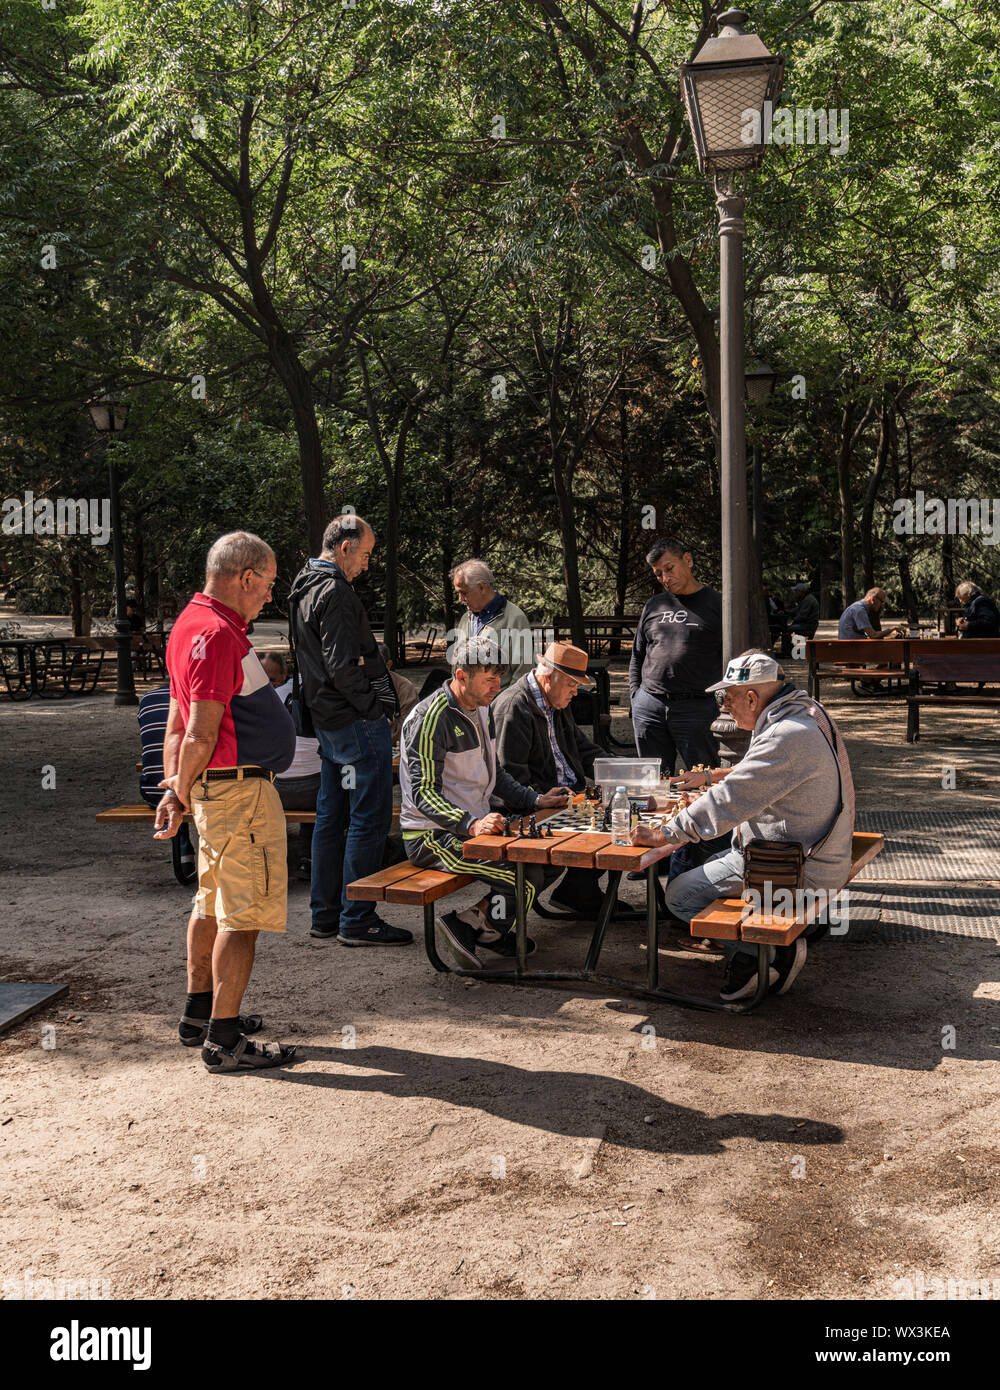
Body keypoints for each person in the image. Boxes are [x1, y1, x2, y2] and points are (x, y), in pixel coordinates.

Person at [631, 650, 855, 1003]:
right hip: (817, 850)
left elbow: (728, 802)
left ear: (752, 697)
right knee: (708, 854)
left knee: (678, 895)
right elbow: (759, 773)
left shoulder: (786, 734)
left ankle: (765, 953)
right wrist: (712, 775)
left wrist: (663, 833)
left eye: (727, 698)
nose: (723, 708)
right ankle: (761, 946)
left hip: (798, 868)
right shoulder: (804, 713)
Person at [154, 531, 298, 1074]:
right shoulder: (216, 634)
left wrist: (176, 787)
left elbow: (176, 723)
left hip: (215, 793)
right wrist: (178, 787)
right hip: (239, 792)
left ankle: (200, 1014)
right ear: (245, 578)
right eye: (267, 585)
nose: (268, 597)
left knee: (210, 903)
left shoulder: (189, 626)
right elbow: (199, 731)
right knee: (244, 914)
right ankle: (225, 1038)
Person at [399, 633, 568, 969]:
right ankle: (464, 925)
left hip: (472, 827)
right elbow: (423, 793)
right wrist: (472, 823)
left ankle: (483, 925)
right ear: (461, 675)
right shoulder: (430, 718)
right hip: (431, 836)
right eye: (490, 678)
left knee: (551, 862)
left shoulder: (482, 708)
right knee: (520, 878)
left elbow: (495, 773)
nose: (497, 685)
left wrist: (535, 800)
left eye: (500, 678)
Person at [288, 514, 410, 946]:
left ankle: (326, 915)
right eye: (365, 554)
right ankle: (357, 918)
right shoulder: (335, 591)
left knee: (331, 817)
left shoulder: (303, 584)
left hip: (327, 723)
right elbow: (342, 667)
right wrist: (375, 708)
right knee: (367, 819)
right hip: (353, 723)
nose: (367, 563)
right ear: (343, 547)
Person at [492, 641, 638, 919]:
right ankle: (577, 892)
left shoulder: (556, 701)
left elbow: (583, 750)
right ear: (548, 678)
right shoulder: (514, 707)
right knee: (613, 821)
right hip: (532, 807)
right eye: (572, 683)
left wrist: (624, 771)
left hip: (566, 797)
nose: (577, 691)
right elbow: (510, 779)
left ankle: (579, 890)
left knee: (623, 811)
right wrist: (544, 800)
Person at [629, 537, 721, 776]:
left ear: (688, 560)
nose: (665, 579)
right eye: (658, 574)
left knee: (704, 780)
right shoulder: (653, 605)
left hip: (698, 707)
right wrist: (635, 697)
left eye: (669, 569)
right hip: (650, 705)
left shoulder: (718, 604)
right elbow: (638, 654)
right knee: (652, 784)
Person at [261, 652, 322, 883]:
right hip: (314, 793)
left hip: (277, 794)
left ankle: (281, 859)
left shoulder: (262, 702)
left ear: (285, 676)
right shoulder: (316, 698)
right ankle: (312, 857)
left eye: (272, 680)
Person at [138, 683, 196, 883]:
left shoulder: (148, 698)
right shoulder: (200, 694)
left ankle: (183, 847)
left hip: (152, 787)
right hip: (182, 788)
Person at [451, 559, 533, 688]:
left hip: (499, 704)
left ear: (481, 587)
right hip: (468, 705)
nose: (460, 599)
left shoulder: (515, 618)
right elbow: (457, 665)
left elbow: (523, 672)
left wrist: (504, 704)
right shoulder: (465, 619)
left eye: (464, 592)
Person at [375, 641, 420, 744]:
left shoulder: (404, 688)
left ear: (388, 665)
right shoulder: (356, 685)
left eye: (376, 666)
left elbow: (410, 730)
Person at [838, 588, 906, 641]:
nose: (882, 605)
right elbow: (873, 635)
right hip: (853, 650)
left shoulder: (857, 607)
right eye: (881, 601)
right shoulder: (859, 610)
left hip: (851, 647)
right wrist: (893, 628)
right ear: (873, 599)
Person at [777, 582, 820, 657]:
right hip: (807, 624)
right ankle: (788, 650)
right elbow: (797, 609)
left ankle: (787, 651)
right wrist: (786, 612)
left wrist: (791, 619)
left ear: (801, 591)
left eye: (796, 591)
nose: (795, 592)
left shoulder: (808, 600)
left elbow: (802, 616)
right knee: (788, 628)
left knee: (787, 630)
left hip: (808, 625)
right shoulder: (805, 599)